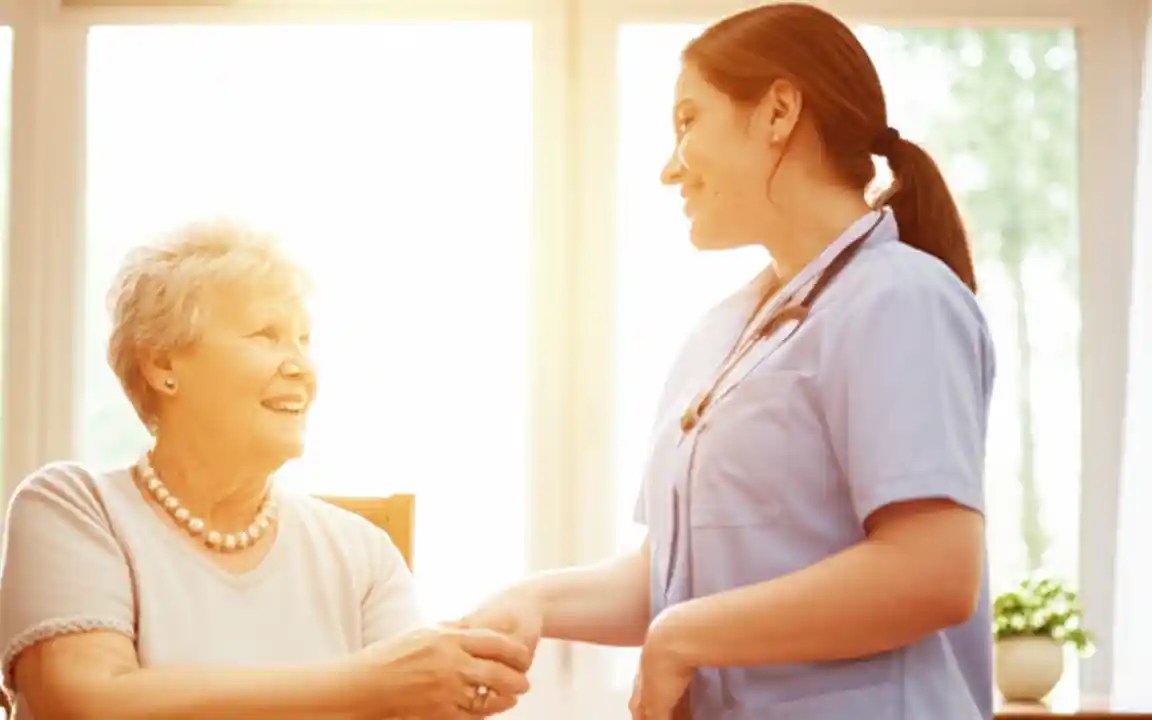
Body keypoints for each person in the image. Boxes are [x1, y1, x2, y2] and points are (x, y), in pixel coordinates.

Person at [459, 3, 996, 719]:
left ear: (778, 111)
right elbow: (676, 580)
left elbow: (932, 572)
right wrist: (537, 600)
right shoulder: (722, 333)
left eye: (687, 121)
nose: (668, 168)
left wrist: (684, 637)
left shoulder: (899, 298)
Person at [0, 221, 530, 719]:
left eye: (303, 340)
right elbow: (87, 702)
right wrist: (372, 680)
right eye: (266, 335)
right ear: (162, 364)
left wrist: (468, 676)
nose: (300, 366)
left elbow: (417, 693)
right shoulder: (74, 507)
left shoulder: (360, 552)